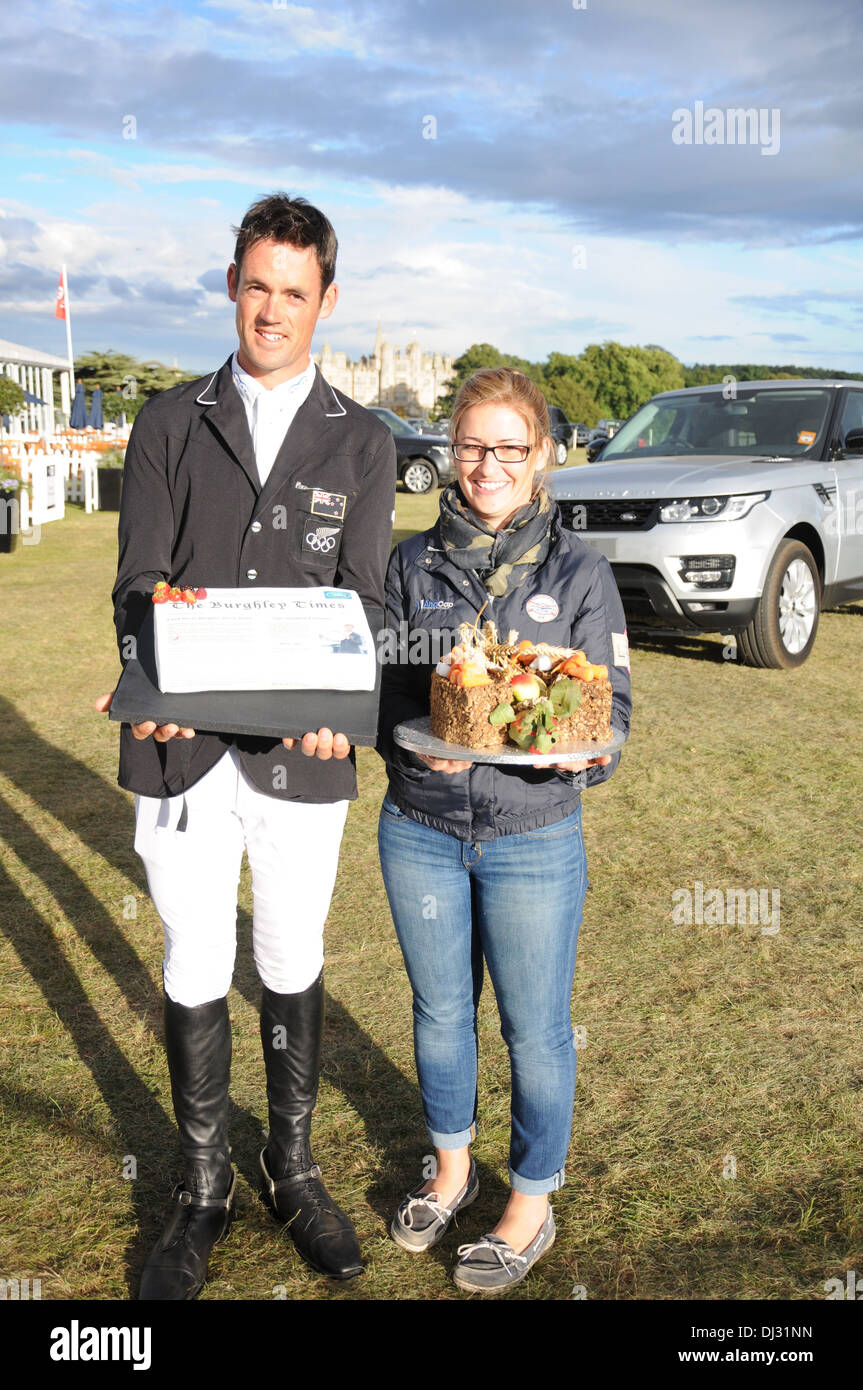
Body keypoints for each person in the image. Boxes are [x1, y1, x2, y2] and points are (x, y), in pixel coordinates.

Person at [99, 193, 396, 1299]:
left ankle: (293, 1166)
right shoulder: (170, 420)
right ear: (232, 283)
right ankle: (204, 1185)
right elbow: (138, 580)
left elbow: (359, 604)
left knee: (286, 955)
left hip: (300, 756)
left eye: (294, 291)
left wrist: (336, 697)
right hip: (182, 750)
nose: (272, 309)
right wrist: (157, 679)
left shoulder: (362, 441)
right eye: (256, 284)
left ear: (326, 300)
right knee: (191, 958)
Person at [376, 368, 631, 1294]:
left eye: (508, 449)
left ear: (542, 459)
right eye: (471, 446)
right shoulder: (412, 566)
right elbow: (393, 698)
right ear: (452, 453)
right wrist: (415, 756)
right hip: (421, 826)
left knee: (535, 1029)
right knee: (440, 1012)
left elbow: (612, 709)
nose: (487, 466)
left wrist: (583, 757)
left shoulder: (580, 573)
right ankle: (450, 1168)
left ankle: (530, 1198)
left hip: (533, 835)